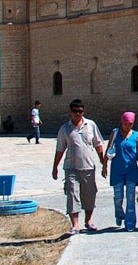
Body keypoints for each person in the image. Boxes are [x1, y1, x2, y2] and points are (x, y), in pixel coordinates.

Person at [52, 99, 105, 235]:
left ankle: (88, 221)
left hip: (88, 166)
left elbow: (98, 144)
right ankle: (75, 225)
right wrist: (55, 167)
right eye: (75, 111)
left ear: (83, 111)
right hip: (71, 167)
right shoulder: (65, 129)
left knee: (89, 194)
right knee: (72, 194)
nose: (78, 114)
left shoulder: (91, 125)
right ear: (70, 112)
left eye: (80, 111)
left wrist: (103, 162)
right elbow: (60, 149)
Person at [102, 111, 138, 231]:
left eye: (130, 123)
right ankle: (119, 214)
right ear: (121, 122)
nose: (127, 126)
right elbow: (108, 149)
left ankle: (130, 223)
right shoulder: (115, 134)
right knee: (118, 197)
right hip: (117, 170)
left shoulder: (136, 135)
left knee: (131, 197)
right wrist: (104, 166)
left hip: (131, 170)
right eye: (125, 123)